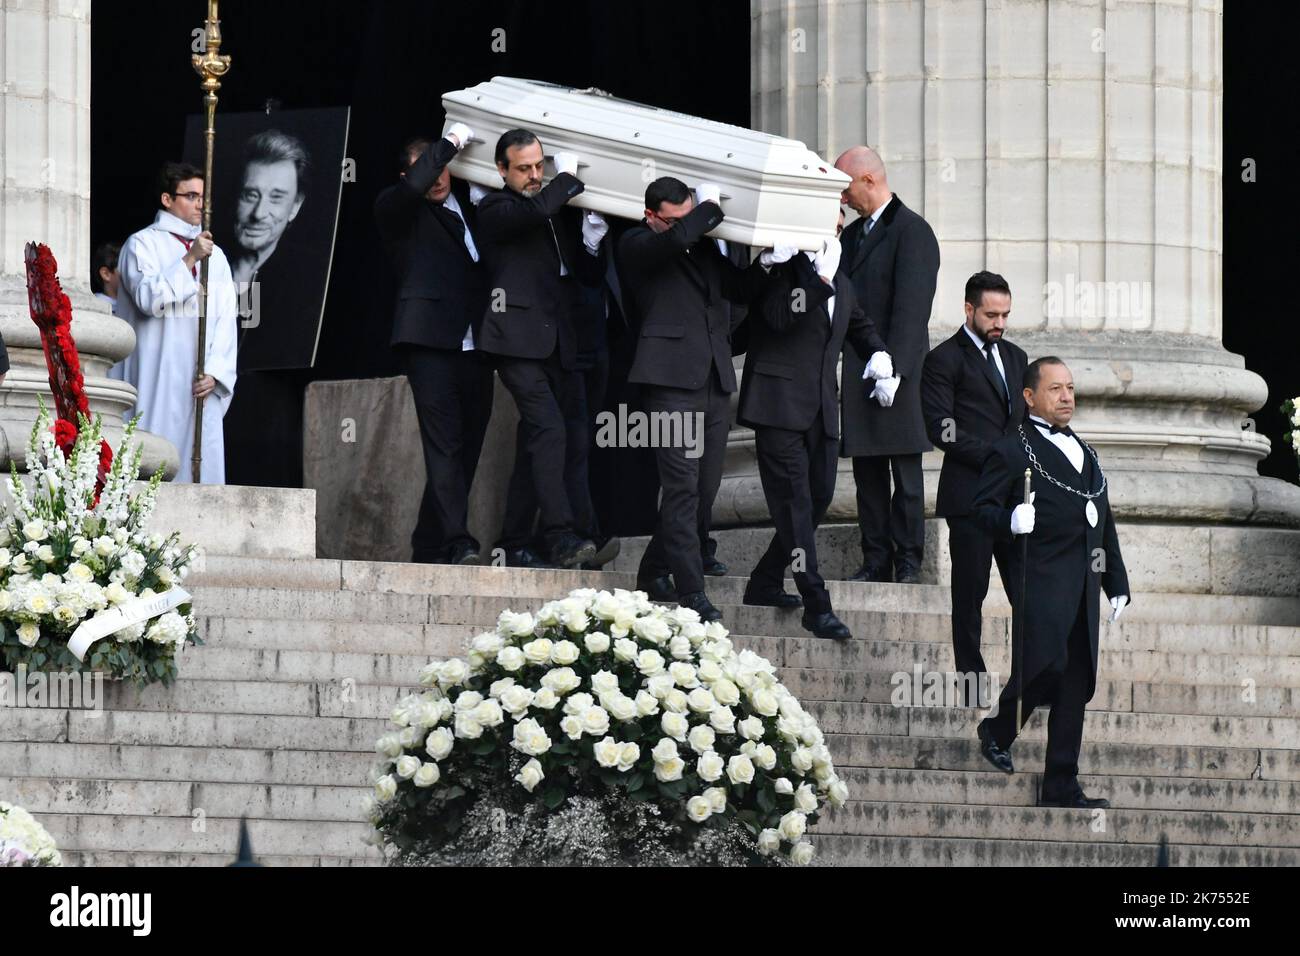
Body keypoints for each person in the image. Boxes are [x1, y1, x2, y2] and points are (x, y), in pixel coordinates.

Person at [619, 175, 786, 622]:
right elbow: (677, 240)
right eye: (675, 219)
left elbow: (740, 291)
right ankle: (692, 591)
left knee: (704, 491)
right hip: (669, 384)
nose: (684, 225)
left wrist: (768, 263)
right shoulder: (637, 243)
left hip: (712, 381)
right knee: (680, 490)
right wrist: (707, 210)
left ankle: (653, 570)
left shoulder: (703, 246)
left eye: (688, 216)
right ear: (652, 217)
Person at [971, 357, 1130, 808]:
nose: (1066, 397)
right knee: (1050, 665)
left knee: (1075, 680)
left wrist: (1116, 581)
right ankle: (998, 728)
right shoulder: (1010, 449)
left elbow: (1104, 521)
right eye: (1056, 389)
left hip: (1084, 583)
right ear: (1029, 396)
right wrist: (1009, 519)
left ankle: (1061, 782)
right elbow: (979, 512)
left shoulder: (1087, 451)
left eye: (1071, 389)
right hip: (1038, 579)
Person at [740, 213, 890, 639]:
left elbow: (857, 322)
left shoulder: (840, 279)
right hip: (778, 407)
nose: (834, 233)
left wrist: (879, 355)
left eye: (838, 226)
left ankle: (766, 579)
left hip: (822, 408)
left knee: (819, 496)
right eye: (827, 223)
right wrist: (817, 280)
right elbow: (779, 317)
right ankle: (815, 602)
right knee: (794, 504)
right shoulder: (779, 269)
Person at [475, 128, 608, 569]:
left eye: (539, 166)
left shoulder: (556, 212)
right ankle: (563, 536)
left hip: (560, 340)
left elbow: (585, 277)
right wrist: (566, 181)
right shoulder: (495, 208)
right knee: (549, 430)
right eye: (524, 168)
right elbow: (533, 213)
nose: (535, 175)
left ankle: (514, 540)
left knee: (557, 437)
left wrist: (590, 241)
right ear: (501, 170)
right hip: (514, 341)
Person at [374, 123, 494, 565]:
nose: (438, 175)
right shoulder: (398, 207)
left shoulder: (476, 207)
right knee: (444, 444)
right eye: (429, 168)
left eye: (445, 166)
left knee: (470, 443)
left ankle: (428, 543)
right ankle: (457, 539)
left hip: (477, 346)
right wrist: (448, 145)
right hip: (428, 343)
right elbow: (410, 192)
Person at [834, 146, 940, 584]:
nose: (842, 199)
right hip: (860, 365)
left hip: (900, 370)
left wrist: (894, 370)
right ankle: (875, 558)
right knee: (868, 475)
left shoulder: (912, 231)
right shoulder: (851, 236)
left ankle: (908, 561)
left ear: (869, 181)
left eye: (845, 188)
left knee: (906, 476)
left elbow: (912, 310)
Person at [921, 271, 1028, 702]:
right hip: (968, 496)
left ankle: (1028, 679)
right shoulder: (944, 359)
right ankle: (971, 682)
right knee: (970, 595)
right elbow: (940, 428)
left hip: (1016, 500)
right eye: (991, 314)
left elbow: (1025, 422)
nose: (999, 322)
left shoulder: (1018, 357)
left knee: (1028, 593)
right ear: (968, 310)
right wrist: (996, 458)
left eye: (1004, 313)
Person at [116, 161, 238, 483]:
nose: (200, 204)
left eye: (202, 196)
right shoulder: (141, 244)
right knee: (153, 460)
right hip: (158, 373)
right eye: (191, 196)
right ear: (167, 199)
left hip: (199, 383)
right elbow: (147, 300)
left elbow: (227, 318)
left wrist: (217, 370)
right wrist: (190, 259)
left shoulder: (219, 257)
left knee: (202, 471)